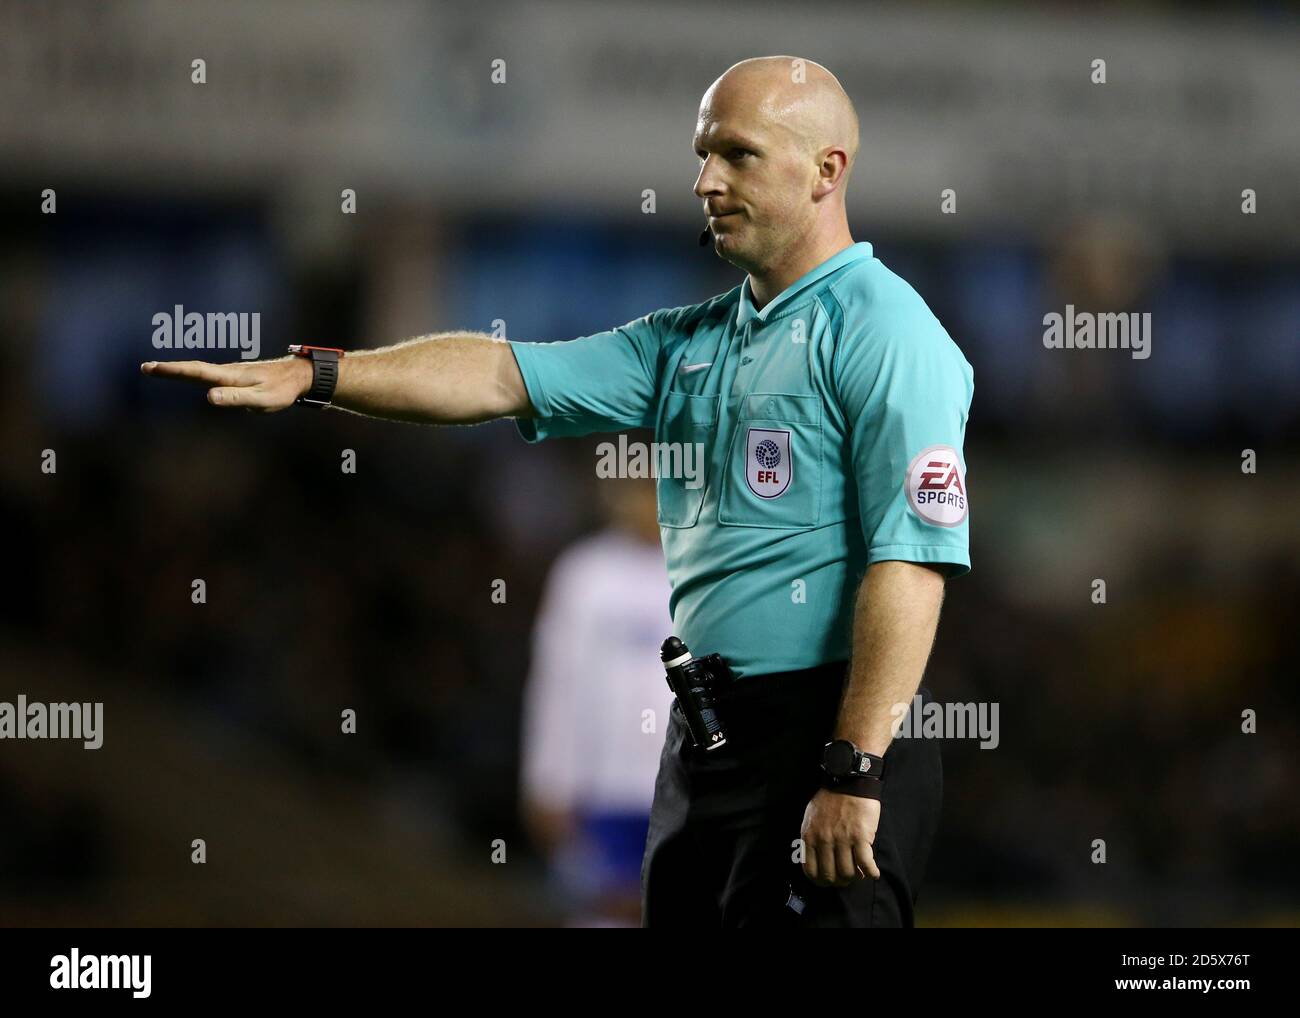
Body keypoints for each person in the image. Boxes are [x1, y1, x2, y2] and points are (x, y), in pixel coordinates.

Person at [142, 55, 974, 928]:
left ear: (826, 170)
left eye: (739, 155)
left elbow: (911, 565)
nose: (704, 181)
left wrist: (855, 767)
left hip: (828, 735)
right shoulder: (688, 342)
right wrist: (322, 373)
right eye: (703, 155)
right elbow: (501, 375)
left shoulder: (887, 332)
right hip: (706, 742)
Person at [520, 478, 673, 926]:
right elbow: (556, 682)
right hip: (601, 789)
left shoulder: (705, 568)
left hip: (681, 788)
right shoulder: (585, 573)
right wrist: (545, 780)